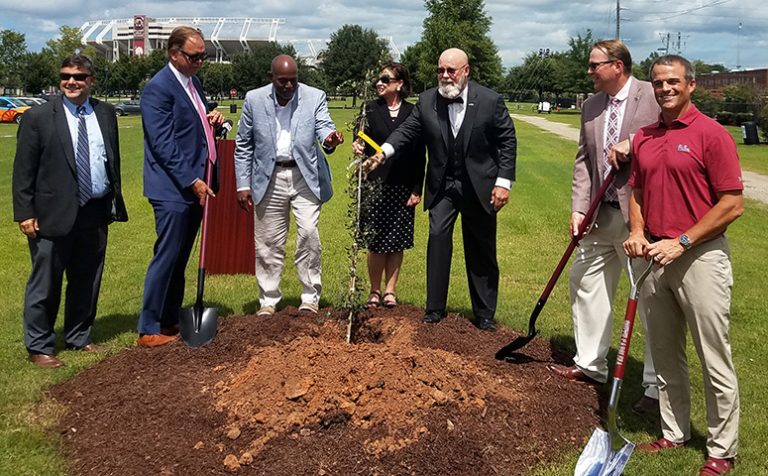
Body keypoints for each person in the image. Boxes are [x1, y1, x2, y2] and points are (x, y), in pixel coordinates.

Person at [624, 55, 743, 476]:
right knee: (664, 352)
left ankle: (721, 449)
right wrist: (638, 232)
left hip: (699, 255)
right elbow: (636, 191)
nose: (665, 89)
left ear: (691, 85)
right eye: (658, 83)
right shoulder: (644, 136)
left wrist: (684, 240)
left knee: (714, 355)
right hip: (655, 255)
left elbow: (732, 203)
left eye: (673, 82)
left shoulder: (712, 134)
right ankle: (674, 432)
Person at [547, 39, 661, 415]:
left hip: (642, 218)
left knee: (650, 301)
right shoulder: (593, 105)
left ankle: (655, 387)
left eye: (595, 65)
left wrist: (634, 142)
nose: (589, 71)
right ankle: (590, 364)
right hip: (600, 214)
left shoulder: (652, 93)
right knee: (586, 283)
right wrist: (579, 209)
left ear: (618, 65)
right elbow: (584, 160)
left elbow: (672, 133)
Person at [366, 48, 516, 331]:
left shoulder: (490, 100)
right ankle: (434, 309)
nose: (445, 76)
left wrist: (503, 182)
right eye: (440, 70)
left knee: (481, 248)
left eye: (451, 70)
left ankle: (484, 314)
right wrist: (381, 153)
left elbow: (507, 140)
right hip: (443, 186)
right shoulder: (427, 101)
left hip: (479, 186)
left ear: (466, 71)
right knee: (437, 240)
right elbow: (406, 131)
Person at [12, 54, 128, 368]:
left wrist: (112, 201)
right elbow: (23, 170)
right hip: (51, 214)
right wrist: (25, 213)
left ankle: (79, 336)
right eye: (65, 76)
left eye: (78, 76)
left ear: (91, 80)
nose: (71, 82)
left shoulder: (104, 113)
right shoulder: (38, 117)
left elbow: (110, 160)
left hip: (94, 210)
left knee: (87, 279)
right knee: (45, 282)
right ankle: (40, 345)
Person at [235, 55, 344, 316]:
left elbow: (323, 127)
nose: (288, 86)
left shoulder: (314, 96)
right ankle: (268, 300)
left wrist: (330, 139)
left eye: (293, 81)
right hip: (268, 176)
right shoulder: (254, 99)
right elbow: (243, 144)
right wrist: (242, 184)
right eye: (282, 81)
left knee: (308, 234)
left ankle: (310, 297)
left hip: (304, 175)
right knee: (268, 242)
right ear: (271, 77)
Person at [138, 26, 224, 347]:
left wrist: (212, 117)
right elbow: (163, 143)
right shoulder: (158, 89)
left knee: (179, 257)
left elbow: (194, 124)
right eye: (194, 56)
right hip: (174, 188)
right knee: (167, 255)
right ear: (174, 54)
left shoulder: (192, 83)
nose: (201, 61)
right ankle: (149, 327)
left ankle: (170, 318)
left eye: (204, 55)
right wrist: (193, 180)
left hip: (195, 186)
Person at [352, 63, 426, 308]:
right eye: (378, 78)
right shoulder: (369, 109)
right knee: (375, 241)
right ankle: (374, 291)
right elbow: (358, 140)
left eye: (385, 78)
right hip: (375, 185)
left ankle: (390, 291)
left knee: (397, 240)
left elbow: (419, 154)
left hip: (402, 186)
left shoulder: (414, 112)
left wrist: (417, 188)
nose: (379, 83)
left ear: (399, 83)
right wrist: (357, 148)